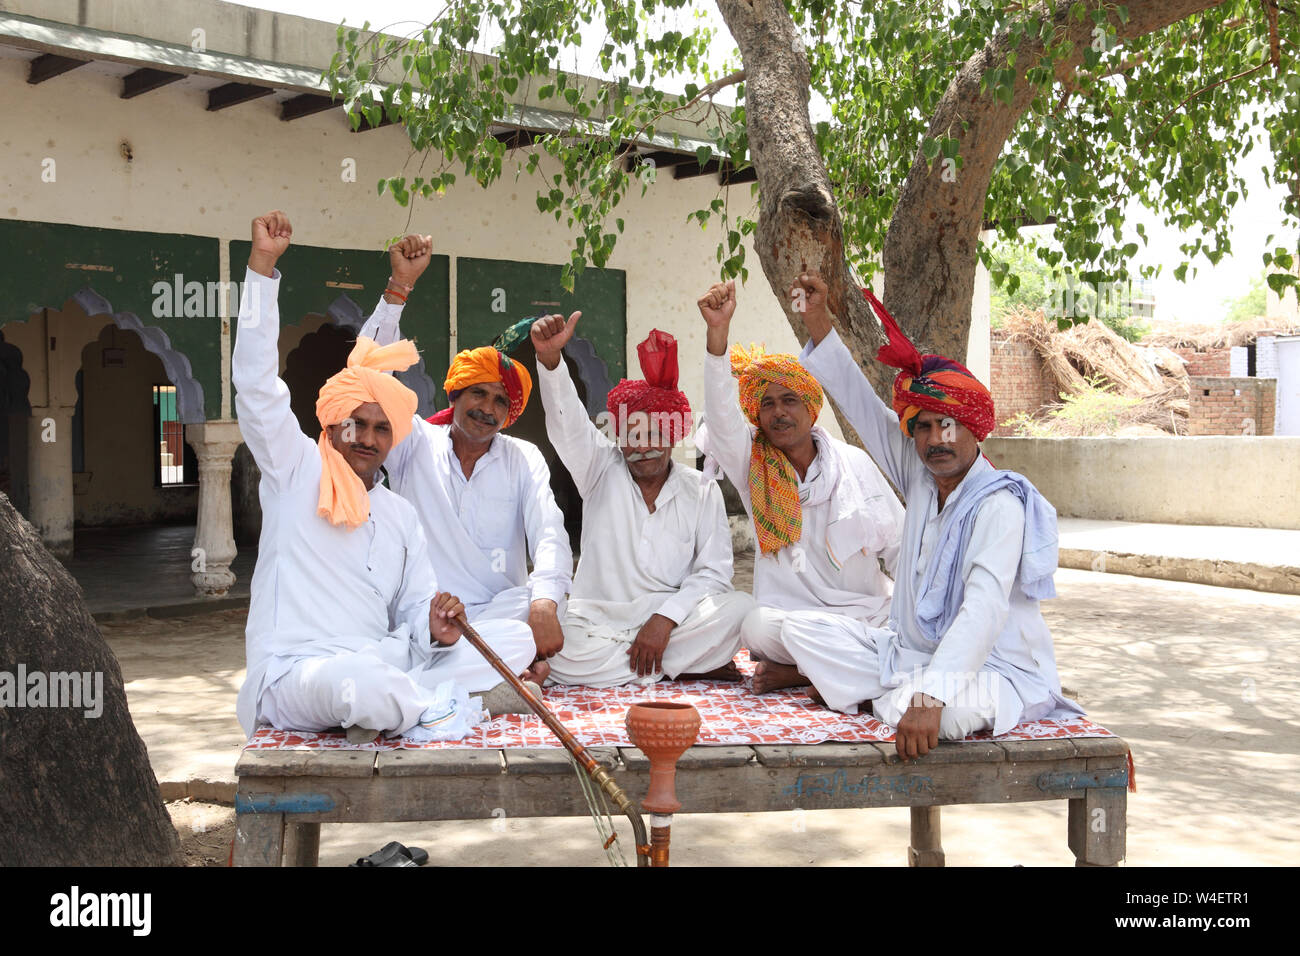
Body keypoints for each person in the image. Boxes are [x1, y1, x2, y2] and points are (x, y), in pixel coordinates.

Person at [233, 211, 536, 743]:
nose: (367, 439)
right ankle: (435, 710)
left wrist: (438, 628)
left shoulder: (398, 514)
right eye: (356, 424)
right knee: (362, 683)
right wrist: (262, 268)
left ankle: (412, 705)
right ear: (332, 423)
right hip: (297, 673)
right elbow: (258, 386)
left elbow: (417, 608)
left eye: (381, 429)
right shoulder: (294, 468)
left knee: (514, 640)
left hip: (386, 659)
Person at [793, 272, 1085, 758]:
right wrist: (819, 321)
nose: (935, 440)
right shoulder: (922, 472)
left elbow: (984, 611)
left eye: (947, 425)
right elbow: (863, 407)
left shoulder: (998, 504)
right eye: (923, 427)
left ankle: (873, 698)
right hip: (909, 656)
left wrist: (931, 696)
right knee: (796, 630)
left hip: (994, 669)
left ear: (974, 429)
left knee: (943, 718)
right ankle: (881, 695)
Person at [358, 239, 573, 683]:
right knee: (395, 625)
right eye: (478, 393)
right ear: (456, 395)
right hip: (425, 614)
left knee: (543, 604)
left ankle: (427, 680)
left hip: (498, 617)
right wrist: (399, 288)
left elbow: (549, 531)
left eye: (500, 401)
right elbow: (368, 379)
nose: (487, 409)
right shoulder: (414, 444)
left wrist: (544, 604)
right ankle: (488, 676)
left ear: (509, 414)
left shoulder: (523, 458)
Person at [696, 279, 904, 699]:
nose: (779, 412)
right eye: (767, 404)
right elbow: (720, 417)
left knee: (900, 619)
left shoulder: (855, 464)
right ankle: (837, 666)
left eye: (789, 400)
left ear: (810, 408)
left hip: (860, 615)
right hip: (790, 621)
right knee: (755, 626)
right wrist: (717, 334)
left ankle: (802, 675)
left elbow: (900, 547)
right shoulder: (752, 462)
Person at [531, 315, 752, 686]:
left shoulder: (701, 488)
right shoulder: (599, 467)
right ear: (618, 438)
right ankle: (672, 666)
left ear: (673, 434)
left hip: (667, 621)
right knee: (552, 639)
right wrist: (551, 361)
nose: (645, 446)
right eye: (633, 434)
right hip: (593, 621)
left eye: (655, 432)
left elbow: (714, 573)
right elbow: (568, 426)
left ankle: (643, 663)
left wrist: (665, 619)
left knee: (742, 610)